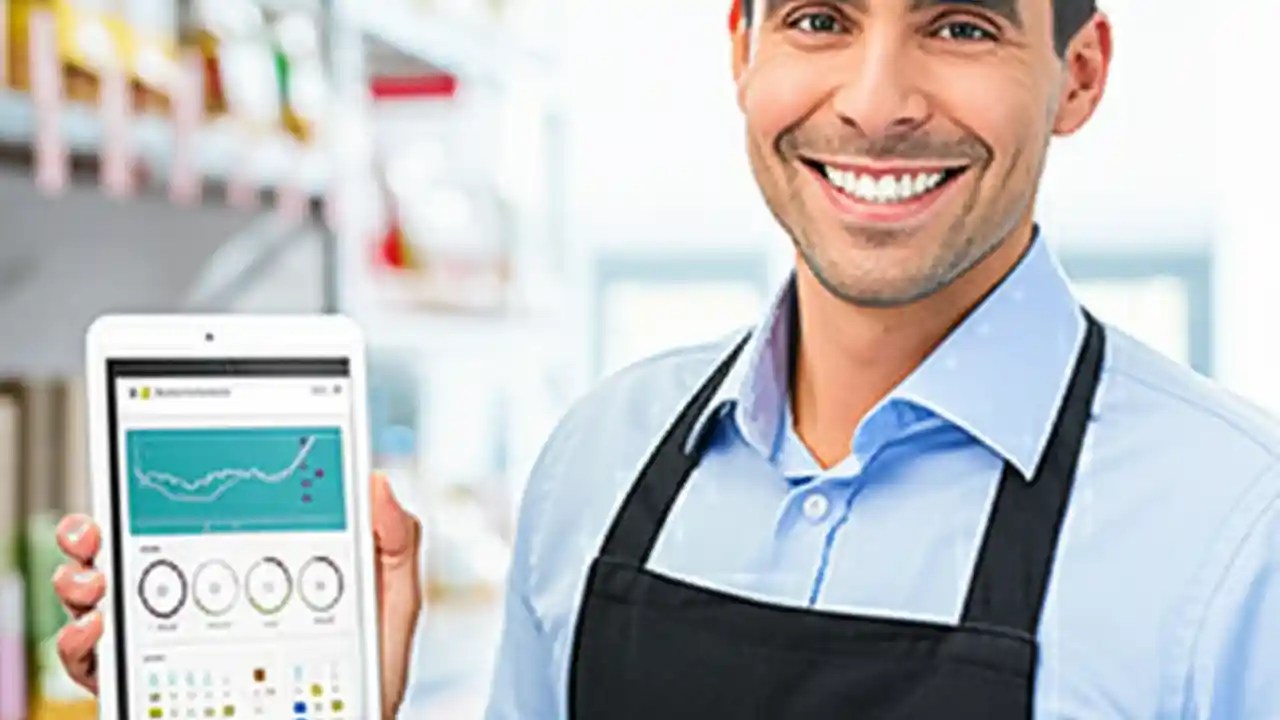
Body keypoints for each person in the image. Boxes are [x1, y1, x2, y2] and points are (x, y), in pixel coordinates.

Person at [51, 0, 1280, 717]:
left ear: (1075, 74)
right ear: (740, 45)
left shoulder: (1239, 534)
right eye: (817, 18)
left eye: (958, 25)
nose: (874, 101)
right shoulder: (598, 459)